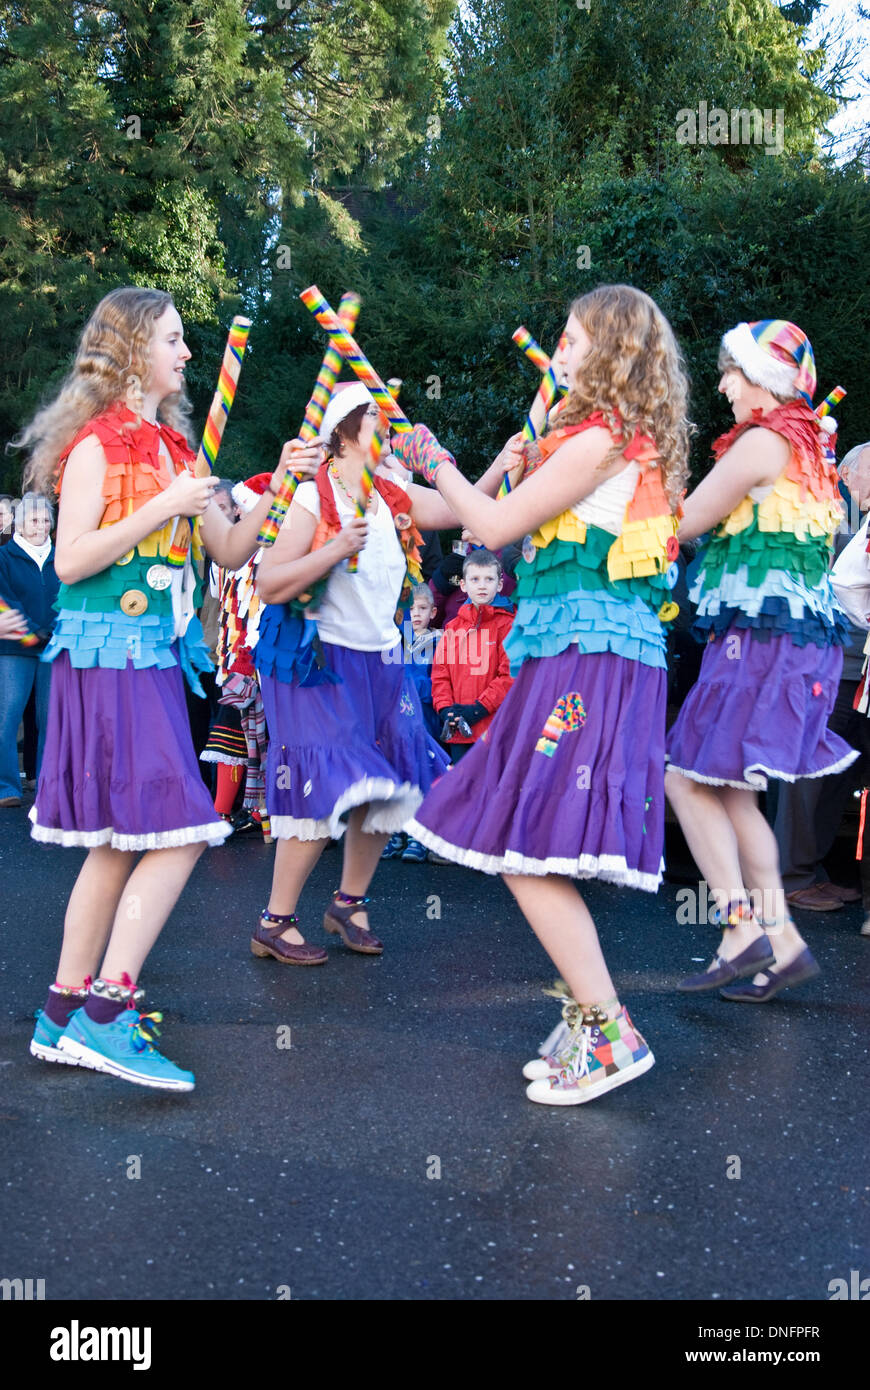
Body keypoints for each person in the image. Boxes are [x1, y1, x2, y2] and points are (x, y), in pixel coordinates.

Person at [17, 285, 320, 1090]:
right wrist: (163, 502)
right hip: (107, 655)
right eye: (175, 339)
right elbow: (70, 561)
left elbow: (227, 548)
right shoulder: (96, 447)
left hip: (145, 657)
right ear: (129, 349)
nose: (188, 354)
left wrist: (281, 485)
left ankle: (61, 1011)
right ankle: (109, 1014)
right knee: (180, 832)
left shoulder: (172, 450)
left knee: (121, 845)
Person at [398, 284, 690, 1105]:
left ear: (609, 352)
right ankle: (586, 1015)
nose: (558, 350)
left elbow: (486, 530)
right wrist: (417, 480)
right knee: (532, 831)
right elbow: (475, 515)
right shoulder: (595, 439)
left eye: (572, 338)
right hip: (582, 653)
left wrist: (437, 462)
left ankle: (607, 1031)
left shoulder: (599, 440)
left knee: (528, 837)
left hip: (584, 660)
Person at [252, 381, 511, 965]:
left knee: (393, 781)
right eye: (374, 416)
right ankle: (274, 920)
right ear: (343, 434)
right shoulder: (312, 498)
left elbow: (461, 509)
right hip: (316, 659)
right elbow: (269, 581)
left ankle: (348, 902)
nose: (387, 423)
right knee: (327, 781)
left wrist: (502, 461)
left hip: (381, 658)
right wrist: (334, 547)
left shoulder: (390, 492)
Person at [665, 319, 857, 1002]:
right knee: (735, 791)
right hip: (796, 644)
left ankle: (740, 928)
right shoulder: (811, 450)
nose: (721, 385)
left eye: (731, 372)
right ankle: (785, 944)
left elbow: (677, 523)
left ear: (765, 379)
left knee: (685, 780)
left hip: (762, 643)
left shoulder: (761, 443)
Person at [772, 442, 870, 913]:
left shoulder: (850, 519)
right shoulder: (822, 516)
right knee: (807, 774)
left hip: (854, 672)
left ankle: (809, 869)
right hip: (824, 667)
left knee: (836, 776)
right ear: (846, 475)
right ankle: (791, 877)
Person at [0, 492, 59, 805]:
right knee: (7, 717)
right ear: (20, 525)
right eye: (35, 520)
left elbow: (71, 595)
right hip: (14, 648)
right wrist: (30, 631)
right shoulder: (3, 557)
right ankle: (6, 787)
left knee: (50, 719)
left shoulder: (61, 555)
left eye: (46, 519)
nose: (41, 526)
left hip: (54, 646)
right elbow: (4, 600)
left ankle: (48, 786)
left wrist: (55, 628)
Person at [431, 548, 514, 764]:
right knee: (463, 789)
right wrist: (446, 710)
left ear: (500, 584)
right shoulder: (452, 627)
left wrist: (478, 709)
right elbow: (440, 674)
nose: (482, 585)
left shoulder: (507, 625)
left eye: (489, 579)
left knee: (491, 788)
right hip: (459, 729)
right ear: (463, 585)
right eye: (475, 579)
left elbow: (508, 676)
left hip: (493, 727)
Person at [382, 582, 443, 862]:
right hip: (396, 723)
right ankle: (396, 832)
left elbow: (441, 680)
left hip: (424, 721)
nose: (416, 614)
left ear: (433, 612)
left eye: (422, 609)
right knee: (397, 774)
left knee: (422, 773)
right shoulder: (395, 642)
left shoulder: (439, 642)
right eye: (411, 609)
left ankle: (419, 835)